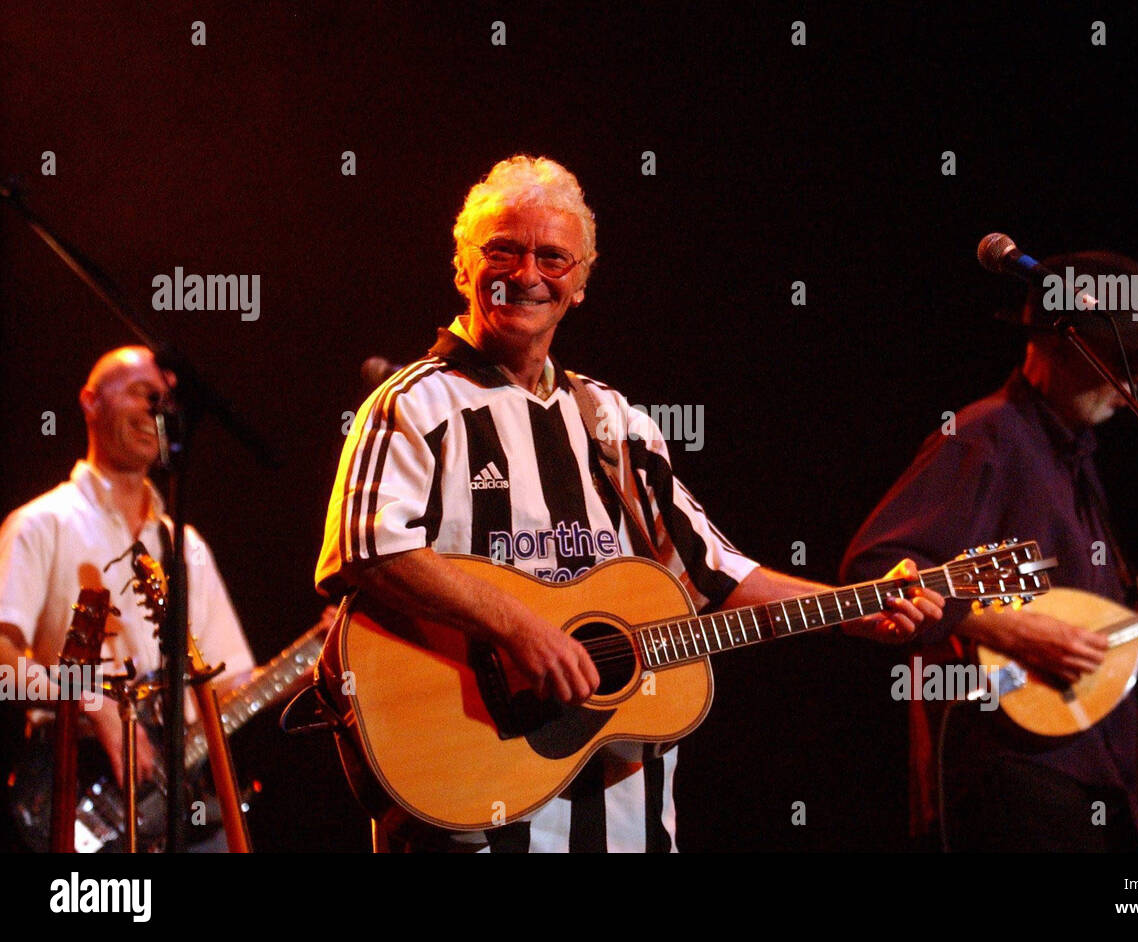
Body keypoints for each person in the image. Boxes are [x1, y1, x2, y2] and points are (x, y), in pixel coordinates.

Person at [315, 154, 945, 853]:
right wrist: (522, 631)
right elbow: (369, 551)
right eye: (504, 250)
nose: (527, 275)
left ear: (580, 284)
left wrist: (849, 610)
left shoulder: (615, 421)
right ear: (463, 268)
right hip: (468, 811)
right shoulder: (414, 404)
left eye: (554, 258)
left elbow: (713, 572)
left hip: (628, 828)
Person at [840, 252, 1138, 852]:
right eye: (1126, 360)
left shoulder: (1076, 456)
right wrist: (1014, 634)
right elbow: (872, 573)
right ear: (1060, 345)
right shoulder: (985, 435)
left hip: (1093, 772)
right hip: (1012, 777)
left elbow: (1090, 637)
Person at [0, 346, 254, 845]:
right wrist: (92, 703)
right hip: (79, 786)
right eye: (142, 394)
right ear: (91, 402)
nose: (157, 411)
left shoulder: (183, 543)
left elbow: (230, 684)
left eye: (165, 401)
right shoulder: (40, 524)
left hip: (181, 798)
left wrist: (321, 658)